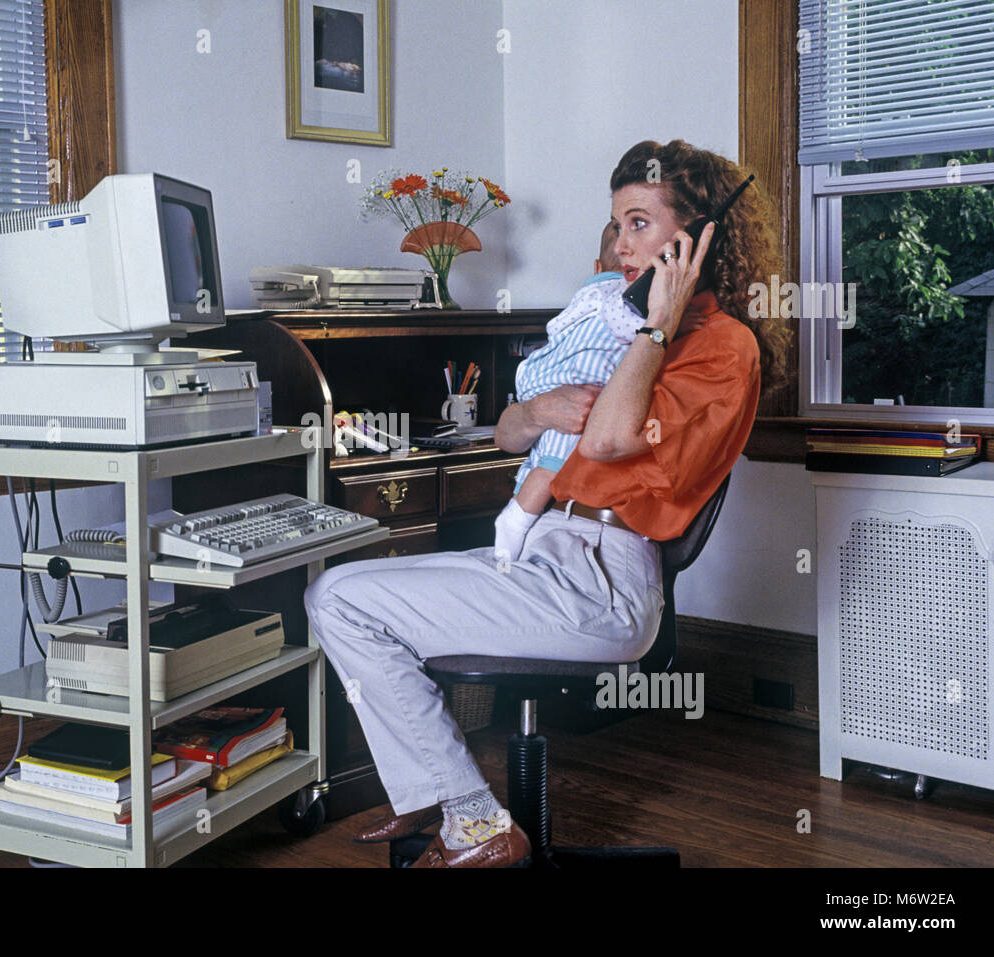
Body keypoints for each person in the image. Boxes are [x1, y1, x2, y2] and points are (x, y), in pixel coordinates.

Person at [304, 139, 790, 868]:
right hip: (538, 555)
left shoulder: (723, 347)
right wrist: (538, 409)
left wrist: (655, 325)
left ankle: (470, 817)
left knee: (343, 600)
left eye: (638, 224)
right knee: (335, 591)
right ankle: (447, 801)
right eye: (616, 224)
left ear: (694, 240)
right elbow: (508, 431)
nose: (618, 246)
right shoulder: (614, 326)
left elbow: (612, 436)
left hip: (603, 580)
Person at [493, 221, 634, 563]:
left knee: (540, 462)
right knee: (554, 463)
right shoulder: (628, 296)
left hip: (546, 372)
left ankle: (512, 528)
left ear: (596, 267)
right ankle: (515, 520)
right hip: (583, 380)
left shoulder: (586, 293)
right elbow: (641, 326)